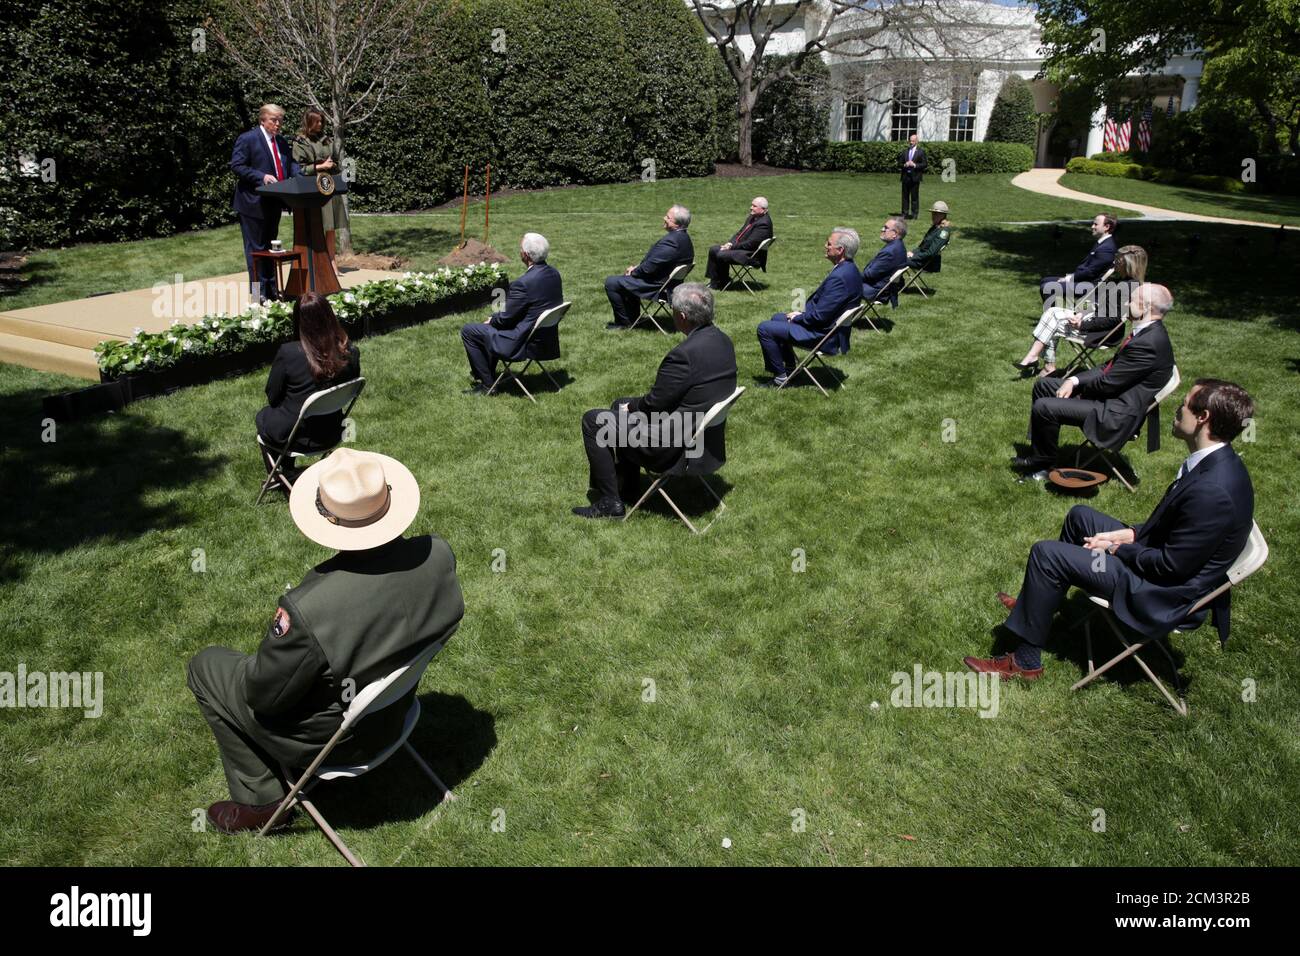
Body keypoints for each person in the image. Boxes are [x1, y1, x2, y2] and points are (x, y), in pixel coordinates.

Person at [187, 448, 465, 833]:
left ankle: (262, 801)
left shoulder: (309, 609)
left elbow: (262, 698)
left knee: (206, 665)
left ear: (328, 518)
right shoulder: (438, 555)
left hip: (334, 744)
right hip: (395, 714)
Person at [967, 379, 1256, 680]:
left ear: (1202, 418)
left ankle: (1025, 662)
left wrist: (1117, 548)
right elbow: (1178, 529)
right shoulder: (1214, 464)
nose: (1176, 409)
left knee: (1047, 554)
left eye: (1184, 404)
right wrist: (1131, 533)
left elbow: (1171, 567)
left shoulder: (1214, 491)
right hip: (1159, 564)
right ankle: (1041, 607)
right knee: (1079, 517)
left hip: (1159, 593)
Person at [575, 283, 737, 519]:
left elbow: (654, 404)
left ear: (681, 316)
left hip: (672, 445)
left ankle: (611, 502)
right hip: (701, 435)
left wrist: (631, 407)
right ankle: (626, 487)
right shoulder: (723, 341)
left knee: (593, 421)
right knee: (618, 405)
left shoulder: (684, 355)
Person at [1013, 282, 1175, 478]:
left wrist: (1077, 394)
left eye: (1131, 300)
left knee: (1045, 407)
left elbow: (1107, 384)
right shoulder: (1146, 332)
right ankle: (1040, 451)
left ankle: (1044, 467)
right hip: (1113, 397)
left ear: (1146, 307)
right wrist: (1073, 380)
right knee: (1043, 385)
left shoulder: (1149, 343)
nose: (1126, 303)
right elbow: (1107, 367)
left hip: (1115, 412)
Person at [255, 292, 360, 494]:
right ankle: (288, 474)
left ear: (299, 321)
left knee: (264, 418)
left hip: (300, 437)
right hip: (333, 431)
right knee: (283, 420)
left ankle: (283, 478)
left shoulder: (289, 353)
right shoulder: (349, 352)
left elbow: (273, 396)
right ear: (330, 316)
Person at [1014, 244, 1146, 378]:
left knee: (1052, 320)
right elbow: (1092, 301)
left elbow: (1112, 320)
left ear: (1129, 264)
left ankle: (1042, 362)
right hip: (1091, 319)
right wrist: (1080, 313)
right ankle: (1039, 361)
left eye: (1118, 260)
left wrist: (1082, 324)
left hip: (1102, 332)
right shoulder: (1117, 281)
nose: (1114, 262)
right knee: (1052, 313)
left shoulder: (1128, 287)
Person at [460, 232, 563, 394]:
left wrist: (492, 319)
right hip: (545, 339)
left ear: (526, 255)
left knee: (469, 330)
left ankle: (487, 384)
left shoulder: (524, 283)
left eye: (521, 248)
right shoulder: (554, 274)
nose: (519, 251)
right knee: (489, 328)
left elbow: (505, 319)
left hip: (522, 342)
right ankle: (487, 373)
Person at [756, 228, 861, 387]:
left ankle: (780, 378)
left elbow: (820, 317)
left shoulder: (840, 277)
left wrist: (798, 317)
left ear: (840, 250)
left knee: (764, 328)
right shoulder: (850, 269)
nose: (825, 245)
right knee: (777, 318)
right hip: (827, 328)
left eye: (829, 244)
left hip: (822, 335)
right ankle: (791, 368)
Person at [231, 104, 302, 301]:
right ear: (262, 120)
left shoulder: (281, 141)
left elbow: (291, 164)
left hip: (274, 203)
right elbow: (237, 165)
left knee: (272, 250)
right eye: (274, 120)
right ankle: (256, 295)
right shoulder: (248, 139)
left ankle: (271, 292)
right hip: (252, 203)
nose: (278, 124)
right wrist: (261, 177)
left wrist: (300, 177)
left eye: (280, 120)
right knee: (255, 251)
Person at [604, 205, 694, 329]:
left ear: (677, 224)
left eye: (668, 218)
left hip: (658, 285)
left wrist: (634, 271)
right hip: (667, 282)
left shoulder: (672, 242)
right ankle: (632, 318)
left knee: (612, 282)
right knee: (624, 281)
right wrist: (637, 268)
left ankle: (623, 323)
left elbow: (648, 269)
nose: (664, 218)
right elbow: (657, 263)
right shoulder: (684, 238)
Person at [290, 109, 343, 257]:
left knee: (331, 226)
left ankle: (332, 262)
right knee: (316, 225)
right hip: (312, 187)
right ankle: (318, 261)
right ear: (308, 122)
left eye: (321, 121)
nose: (320, 124)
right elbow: (298, 170)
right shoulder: (300, 141)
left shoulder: (327, 139)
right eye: (316, 121)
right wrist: (320, 167)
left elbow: (336, 159)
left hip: (329, 184)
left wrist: (333, 165)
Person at [1039, 213, 1117, 305]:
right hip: (1085, 281)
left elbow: (1090, 272)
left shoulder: (1106, 248)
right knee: (1045, 280)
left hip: (1091, 286)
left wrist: (1069, 278)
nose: (1092, 226)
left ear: (1106, 227)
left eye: (1096, 224)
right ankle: (1053, 315)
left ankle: (1053, 316)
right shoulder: (1102, 244)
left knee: (1048, 287)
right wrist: (1069, 277)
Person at [704, 197, 774, 290]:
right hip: (744, 249)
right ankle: (716, 280)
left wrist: (732, 247)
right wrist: (729, 243)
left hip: (752, 255)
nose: (751, 207)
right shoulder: (752, 217)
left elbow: (751, 244)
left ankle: (722, 281)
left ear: (763, 210)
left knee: (721, 254)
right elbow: (739, 233)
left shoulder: (764, 224)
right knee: (714, 250)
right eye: (751, 205)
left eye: (754, 206)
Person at [861, 217, 909, 303]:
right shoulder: (899, 246)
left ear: (894, 234)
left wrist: (853, 278)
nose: (882, 229)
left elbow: (870, 274)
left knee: (841, 285)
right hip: (884, 288)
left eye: (886, 228)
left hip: (876, 291)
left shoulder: (889, 252)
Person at [907, 200, 952, 273]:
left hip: (927, 263)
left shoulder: (944, 232)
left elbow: (931, 253)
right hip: (921, 259)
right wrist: (912, 253)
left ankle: (895, 283)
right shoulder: (935, 227)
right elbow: (921, 247)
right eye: (933, 213)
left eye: (936, 214)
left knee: (896, 261)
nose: (933, 216)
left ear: (943, 215)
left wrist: (914, 256)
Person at [897, 134, 927, 220]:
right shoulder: (905, 151)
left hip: (915, 177)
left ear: (917, 141)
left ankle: (914, 214)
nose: (911, 142)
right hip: (905, 177)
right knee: (905, 197)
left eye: (913, 141)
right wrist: (904, 164)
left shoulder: (921, 152)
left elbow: (924, 164)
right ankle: (904, 214)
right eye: (910, 140)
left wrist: (914, 165)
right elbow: (899, 164)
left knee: (914, 197)